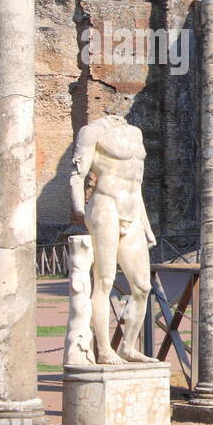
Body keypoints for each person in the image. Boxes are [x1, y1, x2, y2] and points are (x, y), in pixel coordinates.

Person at [69, 115, 156, 363]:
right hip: (105, 206)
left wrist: (146, 225)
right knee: (104, 281)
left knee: (142, 287)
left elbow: (136, 185)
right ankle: (105, 350)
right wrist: (79, 209)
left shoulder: (136, 133)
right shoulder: (91, 131)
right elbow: (77, 173)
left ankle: (128, 347)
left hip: (133, 210)